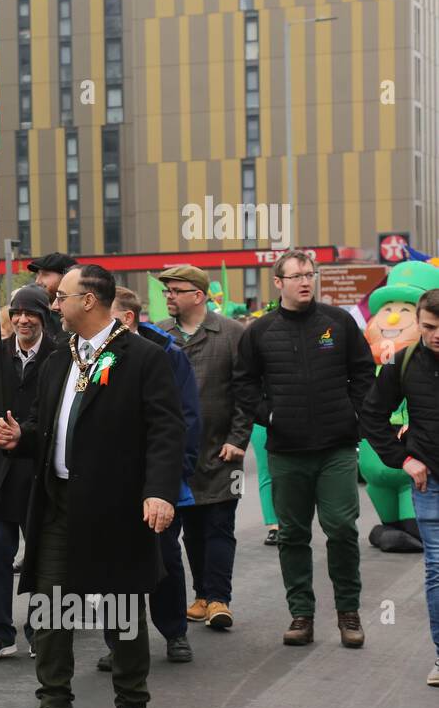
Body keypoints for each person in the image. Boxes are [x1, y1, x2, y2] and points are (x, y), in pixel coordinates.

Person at [0, 265, 185, 708]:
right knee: (49, 608)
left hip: (118, 507)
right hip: (58, 504)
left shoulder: (142, 357)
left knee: (120, 608)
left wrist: (159, 490)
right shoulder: (58, 360)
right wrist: (22, 437)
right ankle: (55, 707)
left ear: (89, 301)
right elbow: (46, 426)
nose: (52, 305)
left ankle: (130, 707)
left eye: (61, 297)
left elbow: (166, 430)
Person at [234, 250, 375, 648]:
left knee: (343, 529)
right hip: (287, 451)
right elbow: (243, 384)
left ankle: (349, 612)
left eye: (310, 274)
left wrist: (355, 416)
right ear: (278, 283)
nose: (305, 281)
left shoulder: (339, 323)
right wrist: (270, 416)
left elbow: (363, 371)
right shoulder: (260, 332)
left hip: (336, 447)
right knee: (293, 535)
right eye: (296, 276)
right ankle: (301, 614)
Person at [100, 288, 201, 668]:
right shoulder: (99, 356)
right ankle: (119, 643)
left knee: (164, 559)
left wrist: (175, 475)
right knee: (114, 565)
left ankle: (174, 632)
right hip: (113, 481)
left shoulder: (168, 357)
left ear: (126, 318)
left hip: (158, 479)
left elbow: (186, 420)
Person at [154, 266, 253, 629]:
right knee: (189, 530)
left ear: (198, 295)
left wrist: (237, 439)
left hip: (221, 452)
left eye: (176, 291)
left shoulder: (231, 333)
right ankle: (199, 596)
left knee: (219, 525)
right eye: (166, 291)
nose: (169, 297)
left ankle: (218, 599)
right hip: (175, 455)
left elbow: (247, 393)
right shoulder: (159, 335)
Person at [0, 285, 54, 658]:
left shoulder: (60, 357)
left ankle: (40, 632)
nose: (22, 320)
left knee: (41, 556)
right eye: (16, 313)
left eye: (30, 313)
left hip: (41, 474)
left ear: (43, 318)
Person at [361, 287, 439, 685]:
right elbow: (372, 414)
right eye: (428, 327)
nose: (435, 335)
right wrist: (404, 458)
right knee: (437, 570)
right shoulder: (406, 361)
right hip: (431, 484)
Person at [26, 252, 78, 341]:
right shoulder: (33, 313)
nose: (38, 281)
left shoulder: (78, 315)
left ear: (66, 277)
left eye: (45, 275)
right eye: (37, 275)